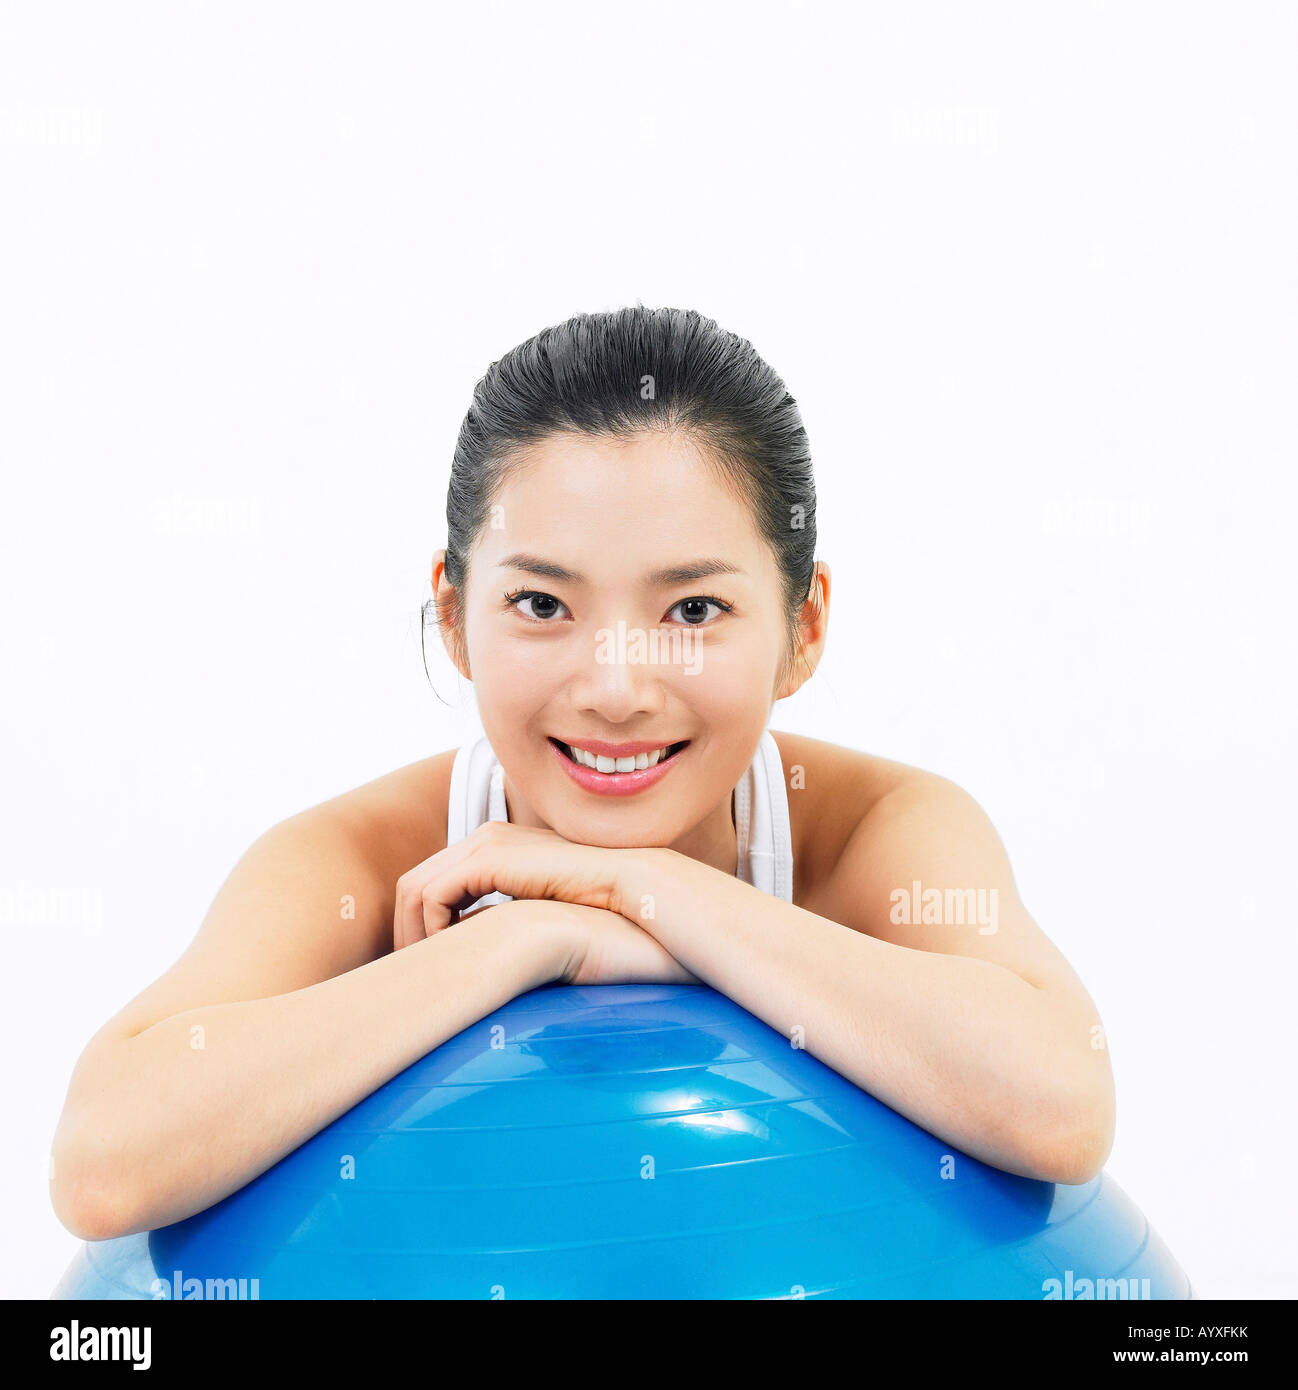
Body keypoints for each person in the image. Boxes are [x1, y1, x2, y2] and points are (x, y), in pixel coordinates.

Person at [50, 306, 1114, 1243]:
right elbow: (103, 1159)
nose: (615, 687)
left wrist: (643, 893)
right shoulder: (358, 858)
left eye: (692, 610)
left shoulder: (877, 829)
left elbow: (1059, 1103)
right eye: (542, 605)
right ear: (454, 615)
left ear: (803, 626)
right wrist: (531, 937)